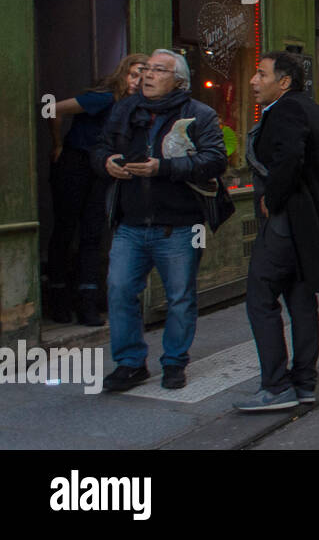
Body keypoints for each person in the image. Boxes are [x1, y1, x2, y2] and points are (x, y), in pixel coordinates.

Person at [92, 49, 227, 392]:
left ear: (178, 80)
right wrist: (107, 161)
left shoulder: (200, 114)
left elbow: (214, 161)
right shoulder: (124, 110)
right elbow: (99, 148)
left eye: (158, 70)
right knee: (120, 290)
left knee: (181, 297)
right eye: (146, 69)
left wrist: (162, 168)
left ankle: (174, 363)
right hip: (131, 225)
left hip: (181, 226)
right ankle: (130, 363)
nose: (148, 76)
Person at [235, 52, 319, 412]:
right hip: (312, 224)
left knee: (260, 295)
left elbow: (288, 158)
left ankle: (275, 386)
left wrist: (275, 198)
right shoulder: (318, 112)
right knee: (301, 300)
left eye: (261, 74)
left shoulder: (286, 111)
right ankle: (304, 383)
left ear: (284, 82)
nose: (254, 81)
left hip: (287, 221)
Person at [46, 53, 149, 325]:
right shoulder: (104, 97)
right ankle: (57, 299)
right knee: (66, 228)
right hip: (75, 164)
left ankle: (87, 301)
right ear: (123, 73)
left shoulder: (134, 107)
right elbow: (52, 108)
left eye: (144, 75)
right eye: (134, 73)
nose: (138, 81)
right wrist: (57, 144)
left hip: (102, 168)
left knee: (93, 233)